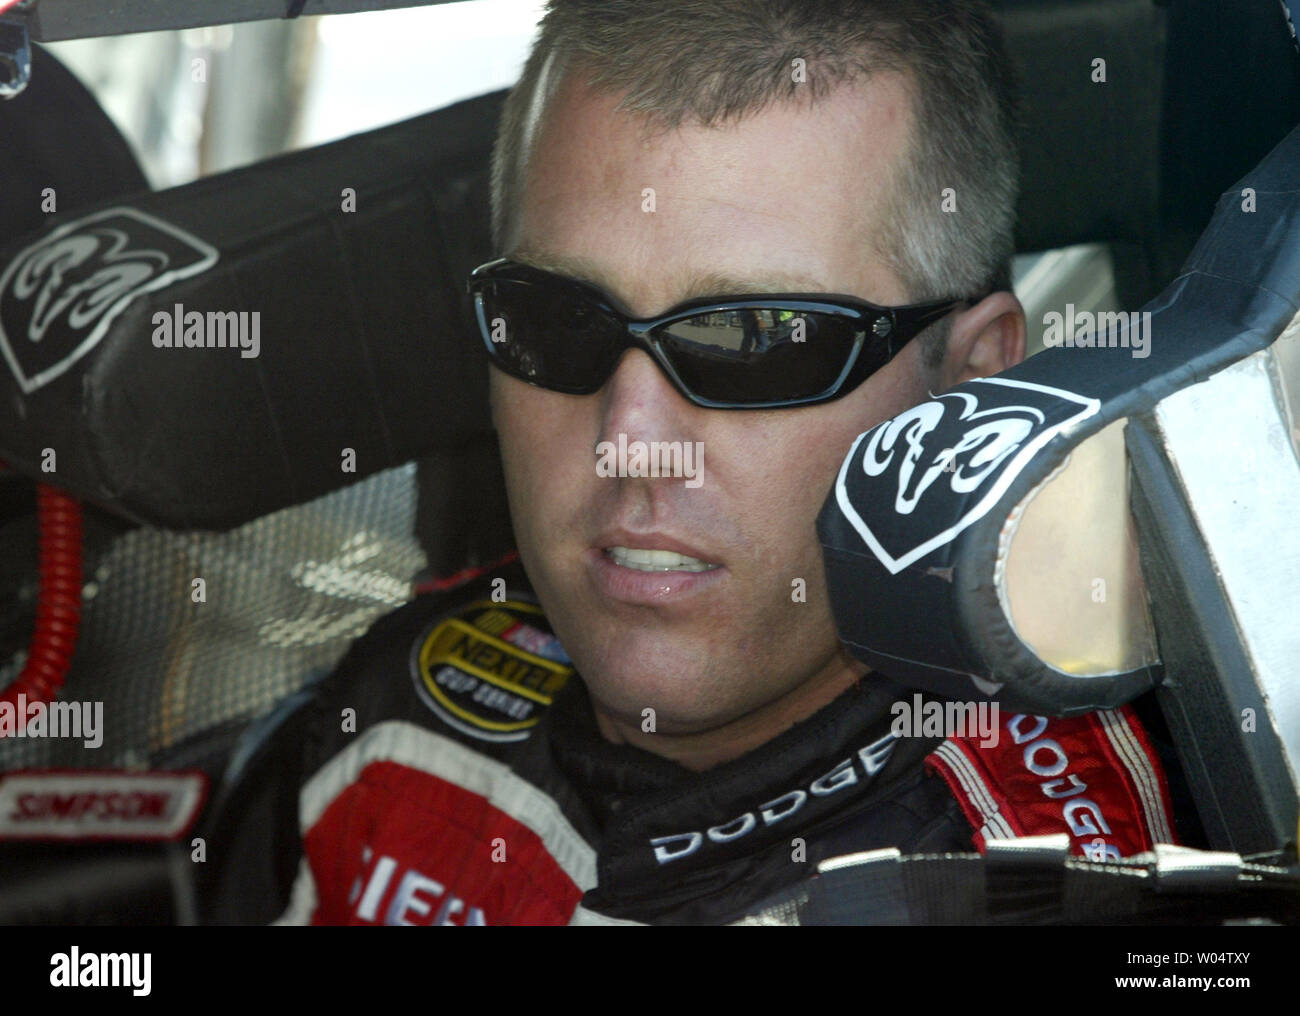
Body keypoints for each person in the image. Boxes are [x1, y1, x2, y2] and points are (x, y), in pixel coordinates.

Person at [202, 0, 1178, 925]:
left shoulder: (1033, 876)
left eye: (754, 338)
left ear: (965, 392)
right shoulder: (393, 722)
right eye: (558, 320)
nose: (630, 438)